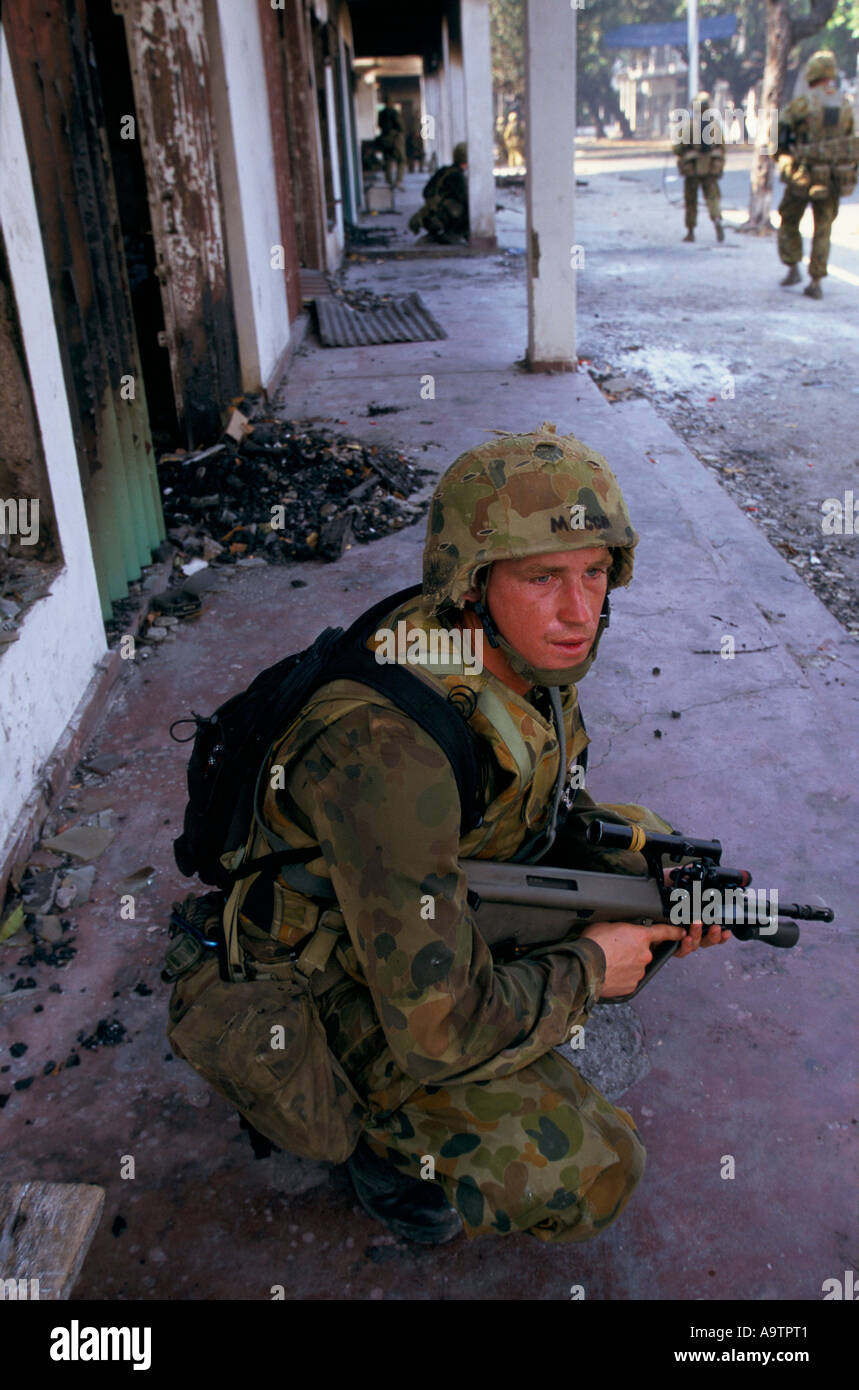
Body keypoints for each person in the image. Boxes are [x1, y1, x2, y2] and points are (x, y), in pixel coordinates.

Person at [236, 424, 728, 1245]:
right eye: (542, 578)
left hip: (420, 898)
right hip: (318, 975)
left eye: (594, 574)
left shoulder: (517, 655)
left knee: (659, 861)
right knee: (592, 1171)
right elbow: (436, 1033)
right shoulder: (389, 753)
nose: (578, 613)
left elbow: (549, 805)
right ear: (472, 584)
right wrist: (589, 968)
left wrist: (652, 885)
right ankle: (386, 1157)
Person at [775, 50, 857, 300]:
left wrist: (780, 155)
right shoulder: (844, 104)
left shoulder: (804, 103)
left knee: (789, 218)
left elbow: (779, 130)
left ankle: (792, 266)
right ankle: (816, 281)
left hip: (803, 175)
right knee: (823, 227)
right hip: (832, 176)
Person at [672, 91, 726, 243]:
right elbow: (722, 148)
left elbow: (678, 149)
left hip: (692, 170)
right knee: (712, 198)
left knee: (691, 201)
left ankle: (690, 232)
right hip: (710, 168)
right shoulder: (715, 126)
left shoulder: (687, 126)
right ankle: (716, 220)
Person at [408, 142, 469, 244]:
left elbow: (425, 192)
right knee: (470, 209)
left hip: (427, 216)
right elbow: (466, 201)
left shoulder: (444, 170)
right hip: (440, 218)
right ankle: (452, 234)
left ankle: (438, 234)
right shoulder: (457, 177)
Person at [377, 97, 406, 191]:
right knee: (401, 160)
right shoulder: (394, 113)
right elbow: (400, 126)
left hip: (385, 140)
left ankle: (389, 182)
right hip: (395, 139)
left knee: (388, 161)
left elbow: (379, 125)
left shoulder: (381, 113)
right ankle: (398, 181)